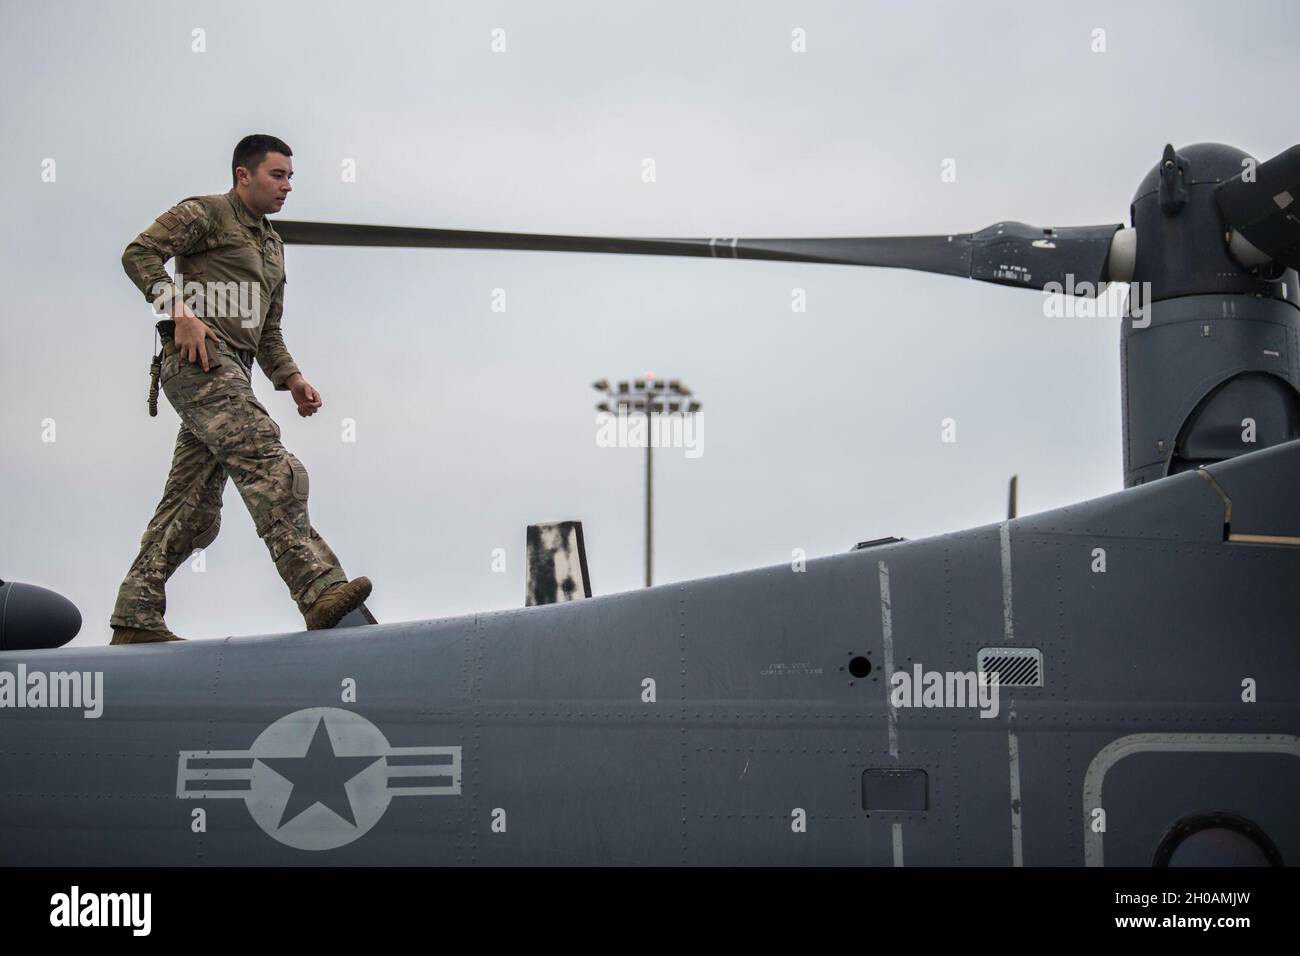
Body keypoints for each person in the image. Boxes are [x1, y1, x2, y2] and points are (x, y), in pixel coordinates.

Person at [109, 134, 371, 644]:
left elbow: (268, 330)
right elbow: (139, 253)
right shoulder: (204, 214)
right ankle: (317, 588)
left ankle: (135, 616)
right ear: (243, 175)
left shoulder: (272, 246)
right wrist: (180, 312)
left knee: (193, 507)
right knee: (271, 464)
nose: (287, 186)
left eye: (292, 177)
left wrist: (292, 379)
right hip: (199, 362)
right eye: (278, 175)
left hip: (235, 369)